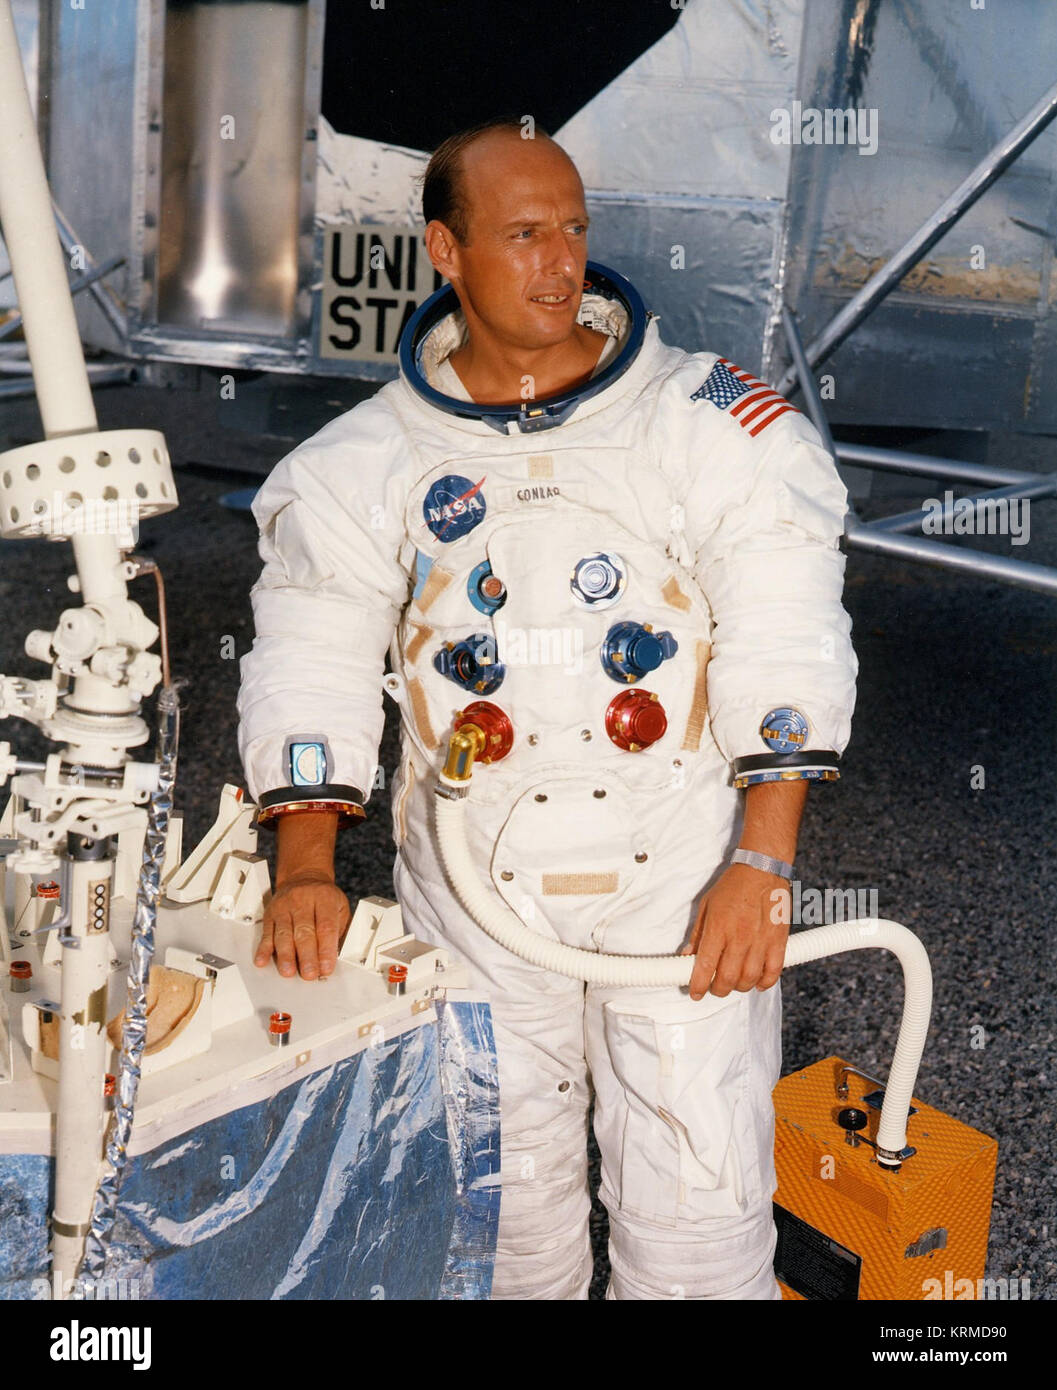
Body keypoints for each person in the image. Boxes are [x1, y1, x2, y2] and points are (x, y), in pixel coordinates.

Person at [236, 118, 858, 1300]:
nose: (559, 262)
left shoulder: (706, 421)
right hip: (475, 889)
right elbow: (308, 660)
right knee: (502, 1217)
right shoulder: (357, 467)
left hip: (677, 878)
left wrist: (765, 864)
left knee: (701, 1214)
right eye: (522, 234)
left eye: (573, 229)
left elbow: (787, 636)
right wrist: (304, 866)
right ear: (445, 251)